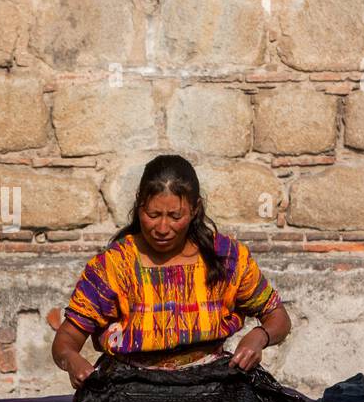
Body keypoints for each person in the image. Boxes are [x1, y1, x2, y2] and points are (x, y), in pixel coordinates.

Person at [51, 154, 291, 388]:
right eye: (152, 215)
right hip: (130, 387)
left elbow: (277, 316)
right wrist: (72, 360)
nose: (162, 228)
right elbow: (66, 340)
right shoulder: (113, 266)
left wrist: (260, 336)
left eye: (175, 216)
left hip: (209, 384)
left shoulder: (227, 258)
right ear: (139, 204)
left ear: (195, 209)